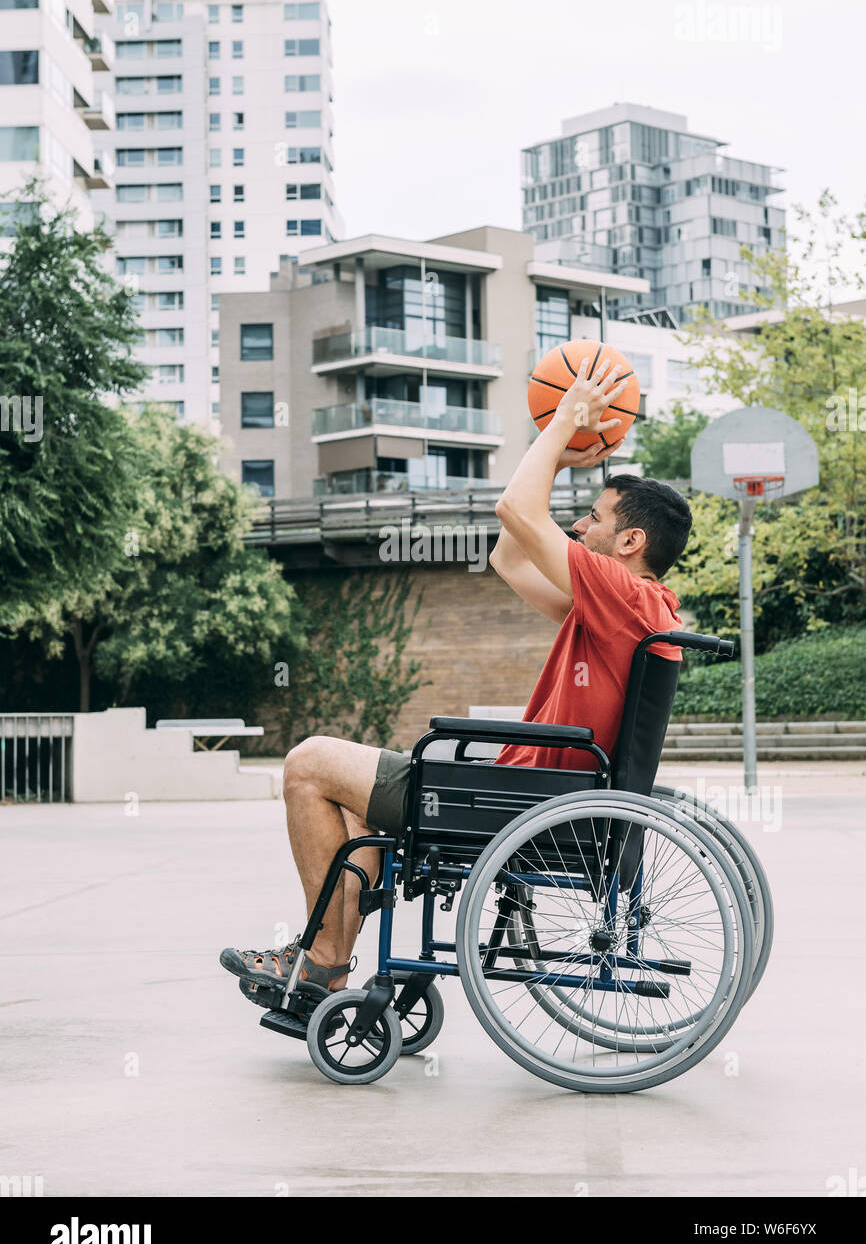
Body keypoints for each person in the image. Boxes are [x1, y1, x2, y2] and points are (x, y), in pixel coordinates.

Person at [219, 354, 693, 1005]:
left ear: (632, 540)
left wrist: (561, 427)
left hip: (509, 801)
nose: (581, 526)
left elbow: (513, 509)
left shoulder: (622, 594)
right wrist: (556, 453)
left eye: (596, 518)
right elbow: (508, 552)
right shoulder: (632, 610)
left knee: (306, 763)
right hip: (532, 795)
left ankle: (324, 962)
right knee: (350, 806)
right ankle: (324, 963)